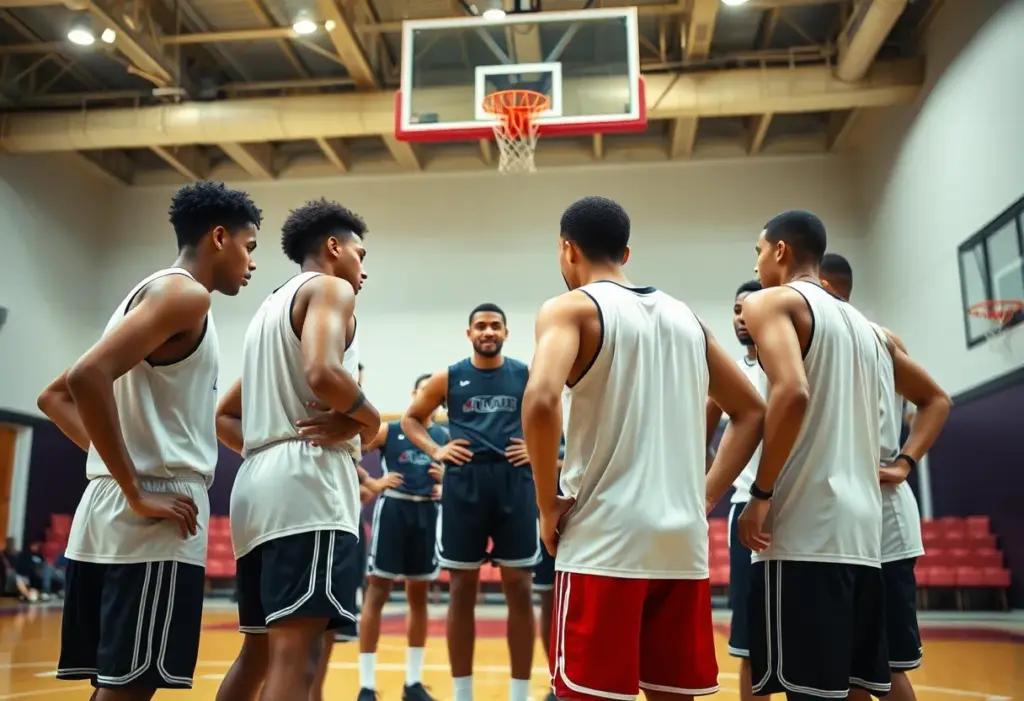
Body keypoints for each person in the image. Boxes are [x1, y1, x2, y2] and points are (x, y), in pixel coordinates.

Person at [521, 196, 766, 701]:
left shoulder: (569, 308)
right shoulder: (687, 318)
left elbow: (541, 400)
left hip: (605, 541)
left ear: (567, 250)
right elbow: (752, 412)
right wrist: (706, 495)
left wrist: (547, 504)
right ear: (626, 254)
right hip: (680, 540)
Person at [35, 180, 261, 697]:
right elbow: (83, 380)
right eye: (249, 248)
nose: (251, 264)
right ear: (220, 237)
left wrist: (121, 477)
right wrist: (136, 487)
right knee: (130, 687)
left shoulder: (148, 293)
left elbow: (54, 398)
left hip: (112, 511)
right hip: (150, 516)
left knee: (117, 684)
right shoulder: (185, 295)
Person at [737, 211, 952, 701]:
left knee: (808, 691)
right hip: (863, 537)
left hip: (805, 536)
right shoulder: (871, 329)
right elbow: (938, 397)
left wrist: (762, 491)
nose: (756, 263)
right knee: (856, 688)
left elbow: (792, 393)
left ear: (780, 251)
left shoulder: (770, 303)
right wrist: (906, 462)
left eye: (757, 250)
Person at [213, 198, 381, 701]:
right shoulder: (330, 288)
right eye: (360, 254)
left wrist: (274, 442)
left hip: (256, 484)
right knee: (298, 656)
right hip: (305, 487)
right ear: (333, 247)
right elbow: (322, 372)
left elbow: (224, 416)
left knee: (258, 653)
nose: (363, 271)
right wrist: (367, 423)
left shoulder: (269, 308)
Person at [819, 252, 949, 701]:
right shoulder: (820, 341)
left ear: (825, 286)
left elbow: (936, 400)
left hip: (883, 524)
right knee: (852, 671)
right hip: (844, 522)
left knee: (889, 668)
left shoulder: (878, 339)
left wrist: (904, 463)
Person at [402, 303, 538, 701]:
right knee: (462, 589)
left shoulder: (525, 375)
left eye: (495, 325)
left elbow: (553, 413)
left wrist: (536, 447)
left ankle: (519, 694)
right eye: (480, 326)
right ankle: (463, 694)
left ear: (506, 333)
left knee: (520, 589)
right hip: (465, 484)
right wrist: (436, 450)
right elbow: (411, 419)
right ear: (469, 334)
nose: (488, 331)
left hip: (515, 482)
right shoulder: (451, 376)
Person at [356, 373, 450, 701]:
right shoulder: (390, 430)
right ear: (413, 395)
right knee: (376, 594)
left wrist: (447, 482)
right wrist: (372, 481)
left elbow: (463, 478)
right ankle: (366, 685)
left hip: (427, 513)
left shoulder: (444, 437)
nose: (427, 399)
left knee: (419, 599)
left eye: (433, 395)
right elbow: (350, 449)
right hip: (394, 512)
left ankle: (413, 683)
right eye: (422, 392)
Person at [704, 279, 767, 701]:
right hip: (747, 506)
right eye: (736, 309)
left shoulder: (793, 365)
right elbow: (700, 430)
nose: (741, 317)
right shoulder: (731, 373)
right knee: (750, 640)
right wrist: (713, 480)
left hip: (795, 506)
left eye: (750, 308)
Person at [530, 390, 569, 701]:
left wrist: (552, 462)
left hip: (589, 515)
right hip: (545, 516)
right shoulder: (537, 409)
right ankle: (555, 679)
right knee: (547, 600)